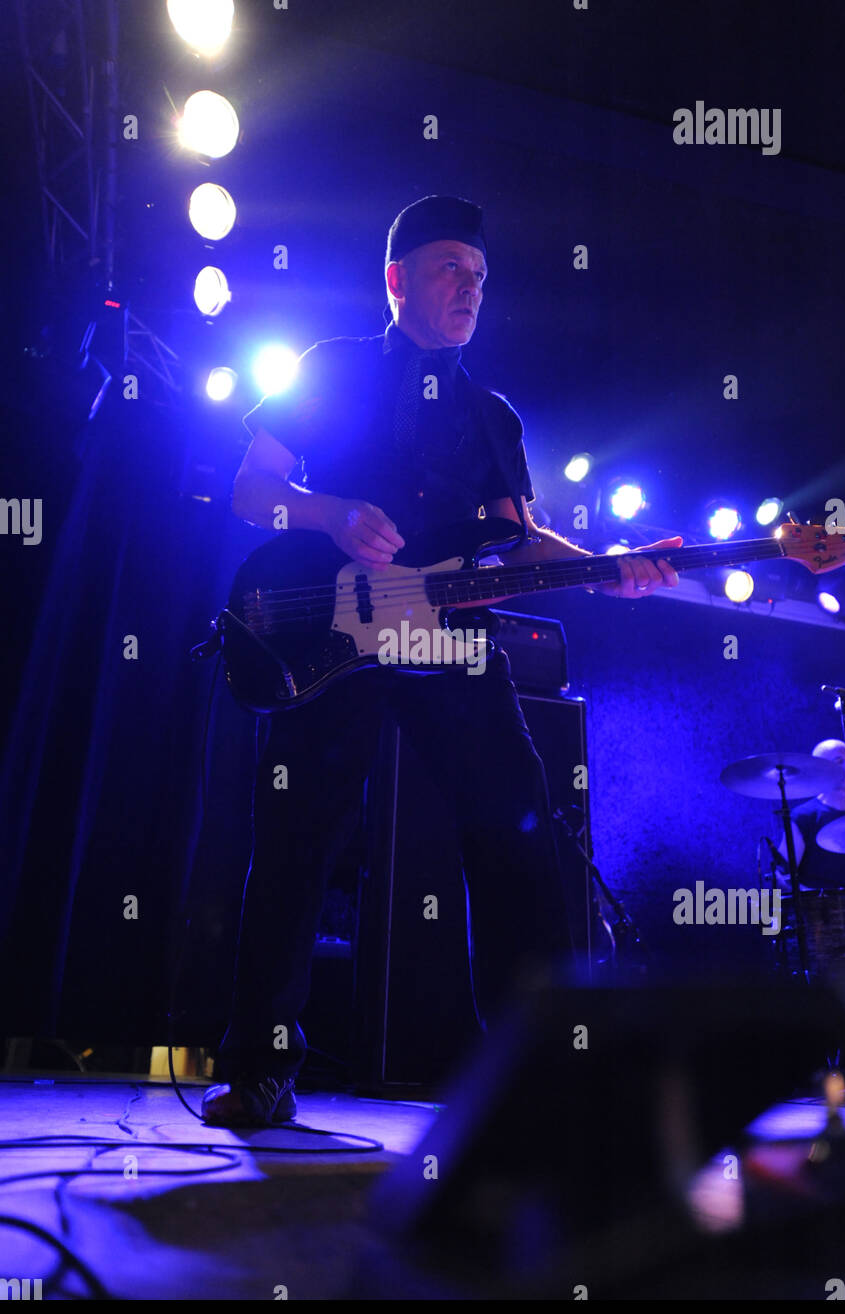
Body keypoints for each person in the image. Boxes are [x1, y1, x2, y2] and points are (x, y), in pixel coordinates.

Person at [202, 195, 680, 1126]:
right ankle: (258, 1068)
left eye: (479, 277)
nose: (469, 288)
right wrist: (332, 513)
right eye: (448, 269)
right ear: (395, 280)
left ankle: (525, 1076)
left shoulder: (491, 416)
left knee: (518, 840)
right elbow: (249, 491)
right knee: (295, 845)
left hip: (449, 639)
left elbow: (520, 544)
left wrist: (609, 571)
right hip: (327, 631)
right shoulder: (330, 369)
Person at [775, 739, 845, 891]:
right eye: (839, 761)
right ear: (819, 769)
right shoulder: (804, 817)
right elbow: (782, 877)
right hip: (819, 911)